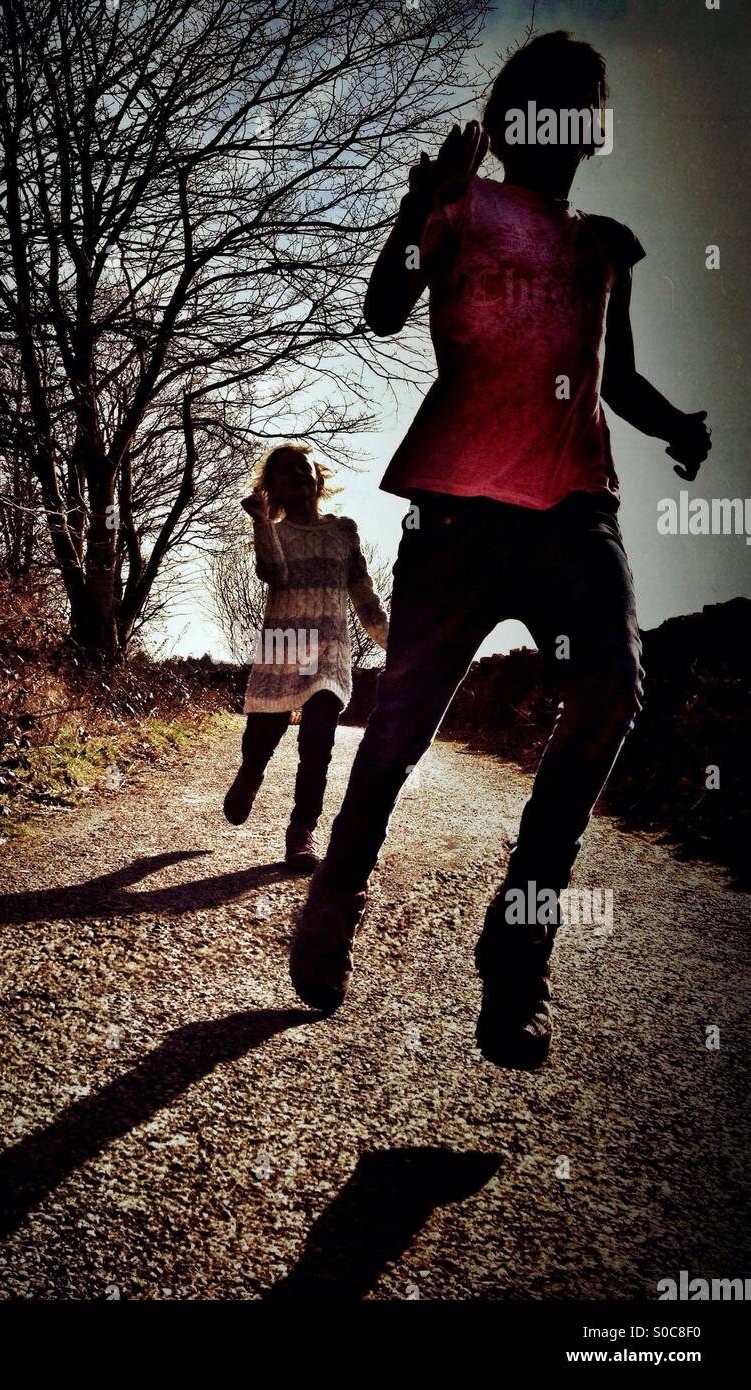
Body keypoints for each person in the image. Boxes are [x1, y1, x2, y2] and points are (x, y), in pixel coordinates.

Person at [288, 31, 712, 1066]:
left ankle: (517, 945)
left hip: (574, 512)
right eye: (545, 102)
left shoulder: (603, 244)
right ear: (512, 117)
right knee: (397, 732)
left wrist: (675, 428)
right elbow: (382, 307)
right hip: (455, 510)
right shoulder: (460, 207)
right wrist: (412, 211)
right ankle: (337, 891)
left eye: (583, 105)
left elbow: (614, 379)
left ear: (592, 129)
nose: (563, 123)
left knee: (610, 685)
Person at [223, 443, 389, 871]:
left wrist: (391, 641)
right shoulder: (273, 531)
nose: (297, 473)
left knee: (317, 742)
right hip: (285, 641)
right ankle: (251, 773)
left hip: (331, 649)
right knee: (265, 730)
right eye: (285, 471)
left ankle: (302, 830)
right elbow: (273, 574)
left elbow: (363, 592)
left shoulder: (344, 531)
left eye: (304, 467)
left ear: (318, 477)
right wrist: (261, 523)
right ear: (271, 486)